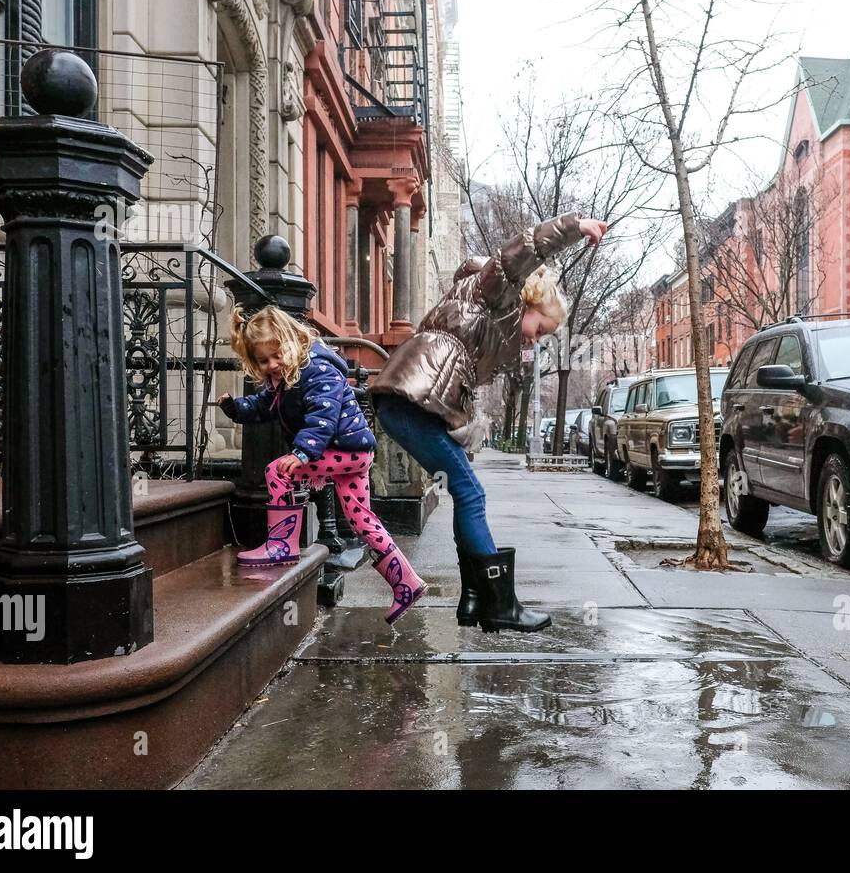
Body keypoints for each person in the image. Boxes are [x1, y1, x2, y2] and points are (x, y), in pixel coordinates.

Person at [370, 212, 608, 633]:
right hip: (410, 400)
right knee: (471, 494)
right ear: (530, 304)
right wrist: (575, 227)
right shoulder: (495, 292)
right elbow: (526, 247)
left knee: (467, 493)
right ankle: (500, 604)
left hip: (410, 401)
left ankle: (474, 599)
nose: (538, 337)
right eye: (543, 327)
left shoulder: (491, 319)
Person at [218, 305, 426, 625]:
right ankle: (407, 583)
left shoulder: (317, 370)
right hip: (350, 453)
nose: (272, 364)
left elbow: (322, 419)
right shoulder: (281, 378)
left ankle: (281, 544)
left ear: (290, 342)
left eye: (276, 355)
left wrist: (301, 454)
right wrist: (235, 408)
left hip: (345, 450)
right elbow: (262, 406)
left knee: (277, 470)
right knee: (362, 520)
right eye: (263, 361)